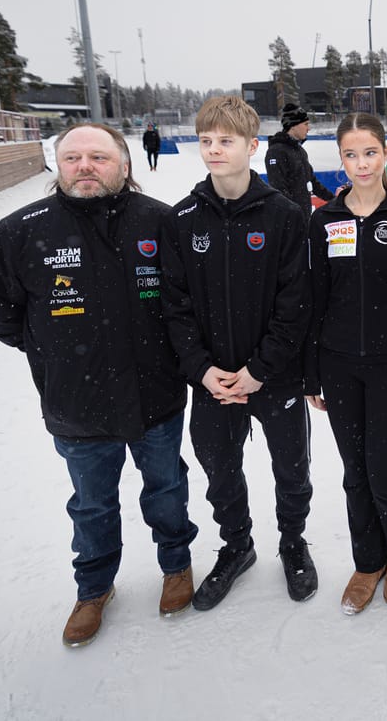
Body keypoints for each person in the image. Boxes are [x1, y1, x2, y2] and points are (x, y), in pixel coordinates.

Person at [0, 123, 198, 648]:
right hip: (77, 402)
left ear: (124, 164)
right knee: (92, 503)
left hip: (155, 395)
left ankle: (177, 565)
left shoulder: (161, 222)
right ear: (57, 164)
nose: (85, 166)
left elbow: (189, 303)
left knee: (166, 488)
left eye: (98, 156)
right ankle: (93, 588)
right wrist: (51, 353)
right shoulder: (22, 229)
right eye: (73, 157)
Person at [160, 96, 316, 611]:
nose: (213, 150)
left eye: (225, 141)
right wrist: (204, 371)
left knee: (290, 469)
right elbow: (175, 306)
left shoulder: (285, 216)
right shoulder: (182, 218)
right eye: (206, 140)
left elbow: (295, 306)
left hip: (274, 379)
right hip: (212, 383)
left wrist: (258, 371)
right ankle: (237, 545)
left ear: (251, 146)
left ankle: (293, 543)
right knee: (219, 469)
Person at [305, 112, 387, 616]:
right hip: (337, 364)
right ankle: (367, 561)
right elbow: (315, 298)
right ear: (340, 160)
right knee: (353, 471)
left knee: (382, 467)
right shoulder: (324, 220)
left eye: (370, 152)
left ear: (386, 154)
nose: (361, 163)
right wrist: (311, 370)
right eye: (351, 155)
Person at [265, 103, 334, 220]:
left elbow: (312, 182)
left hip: (303, 218)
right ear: (293, 125)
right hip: (288, 221)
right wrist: (294, 214)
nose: (309, 128)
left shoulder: (300, 151)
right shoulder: (276, 152)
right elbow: (279, 190)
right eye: (306, 124)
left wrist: (334, 200)